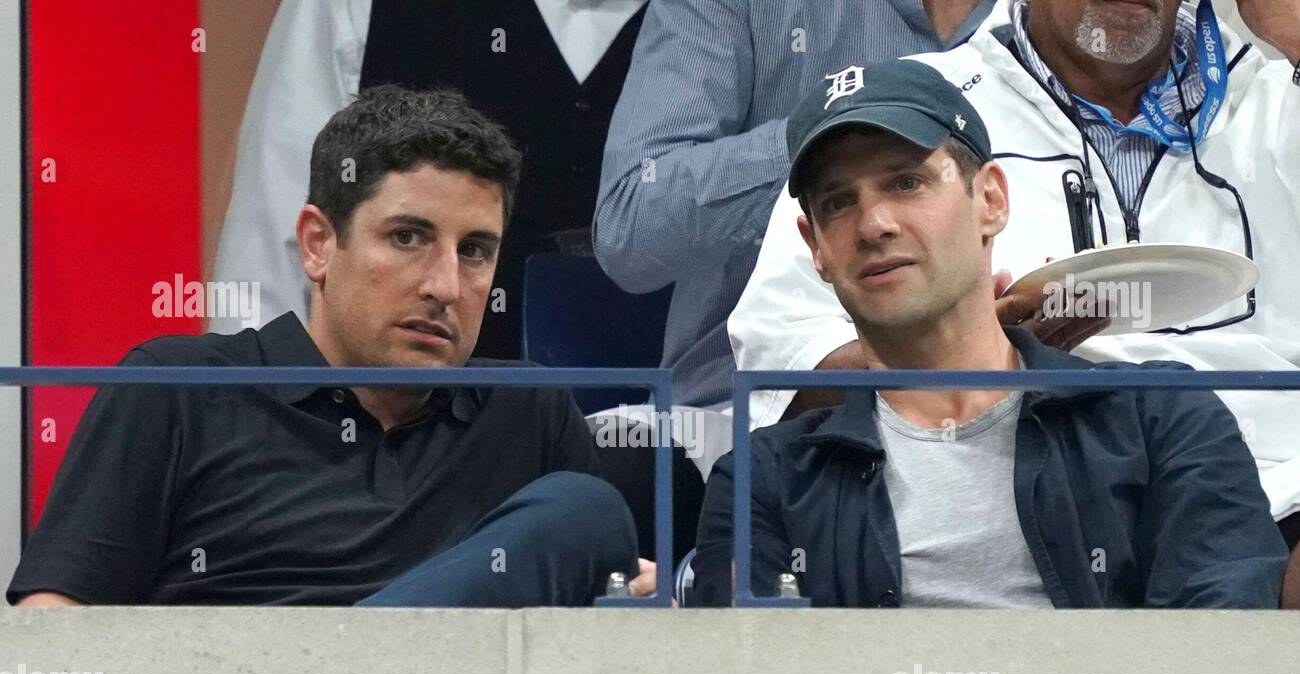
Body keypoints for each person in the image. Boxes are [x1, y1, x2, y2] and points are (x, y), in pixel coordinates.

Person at [727, 0, 1300, 605]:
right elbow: (780, 371)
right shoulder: (915, 115)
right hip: (1029, 479)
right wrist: (967, 348)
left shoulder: (1278, 91)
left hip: (1284, 486)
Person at [8, 86, 654, 609]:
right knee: (584, 513)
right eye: (407, 238)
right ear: (319, 244)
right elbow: (53, 632)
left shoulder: (526, 410)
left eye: (475, 251)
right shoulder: (177, 386)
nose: (445, 285)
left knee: (584, 514)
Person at [593, 0, 999, 410]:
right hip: (754, 410)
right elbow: (630, 223)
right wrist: (832, 133)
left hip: (1033, 389)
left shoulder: (1051, 23)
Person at [210, 0, 650, 361]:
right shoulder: (346, 7)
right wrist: (250, 410)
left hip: (679, 432)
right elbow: (273, 230)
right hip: (385, 437)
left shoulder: (710, 20)